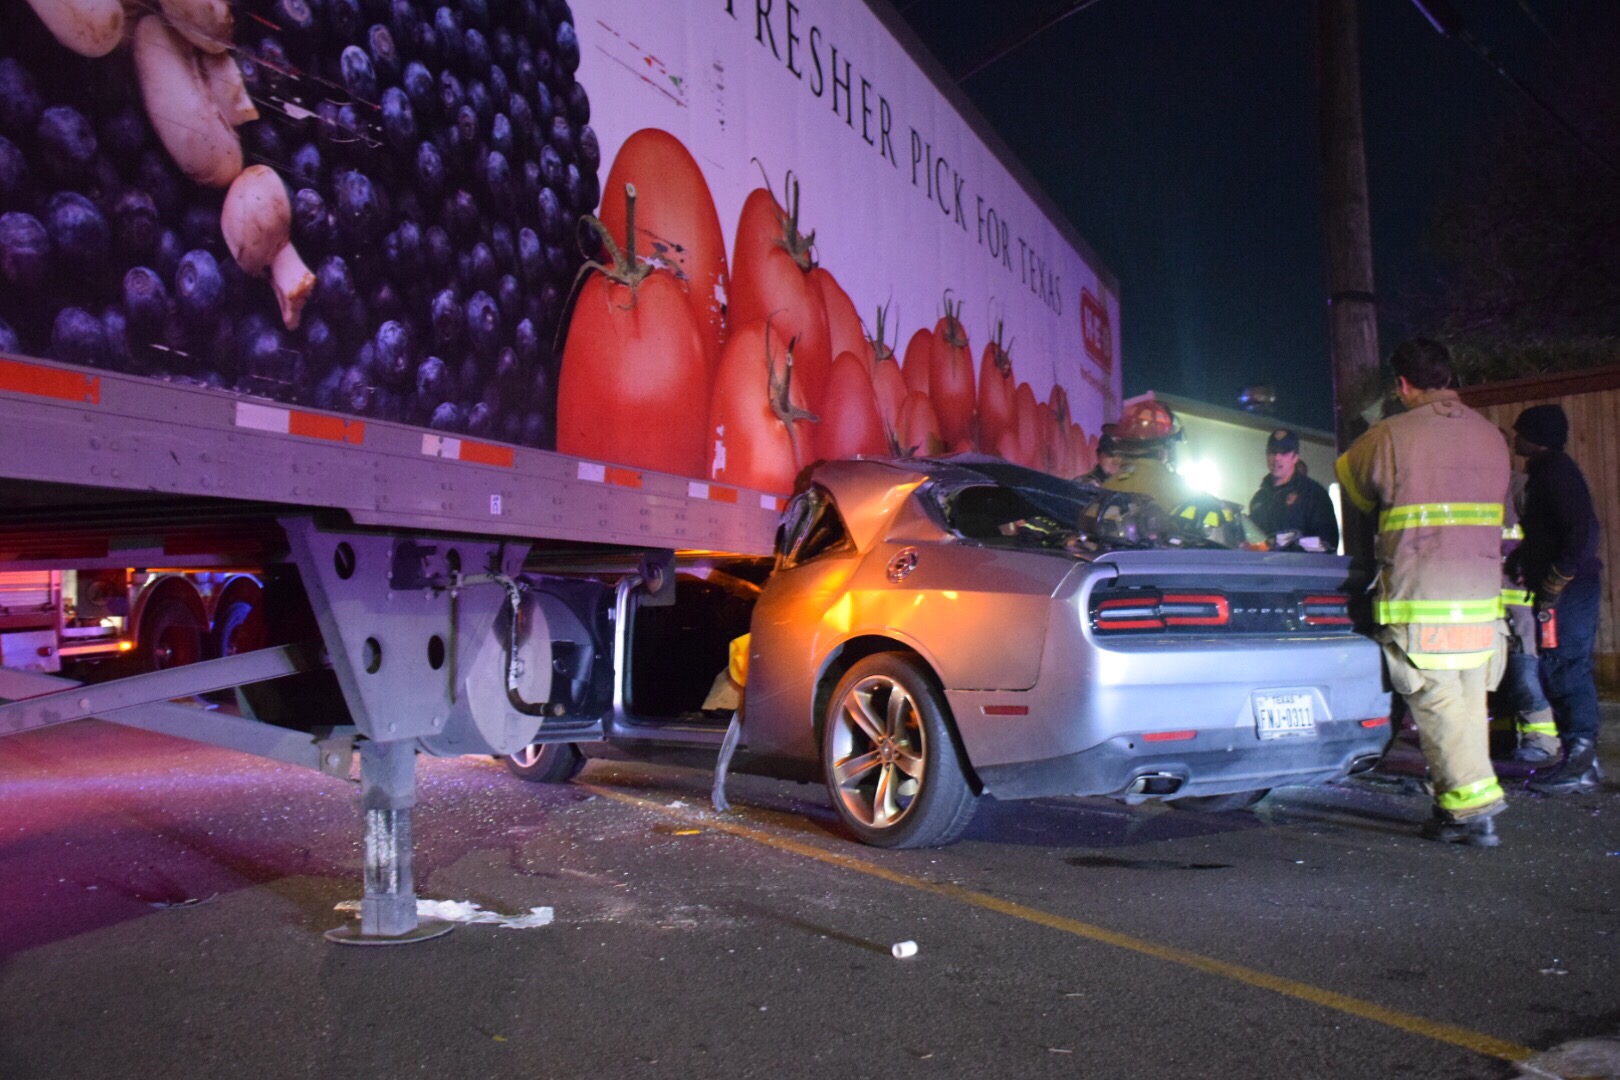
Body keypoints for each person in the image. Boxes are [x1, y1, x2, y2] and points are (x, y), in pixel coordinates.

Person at [1336, 339, 1511, 847]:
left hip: (1423, 597)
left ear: (1402, 384)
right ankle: (1456, 805)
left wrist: (1372, 419)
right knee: (1467, 707)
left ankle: (1472, 812)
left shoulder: (1391, 435)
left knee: (1439, 706)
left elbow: (1352, 482)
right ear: (1449, 377)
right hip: (1481, 600)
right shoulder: (1490, 435)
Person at [1509, 404, 1604, 794]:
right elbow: (1551, 532)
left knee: (1566, 668)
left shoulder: (1556, 473)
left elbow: (1583, 531)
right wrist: (1522, 558)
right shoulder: (1546, 473)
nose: (1515, 438)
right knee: (1559, 667)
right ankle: (1581, 761)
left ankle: (1580, 762)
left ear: (1538, 437)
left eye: (1521, 432)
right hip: (1564, 588)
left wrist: (1556, 580)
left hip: (1568, 591)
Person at [1498, 469, 1559, 763]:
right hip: (1480, 601)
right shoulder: (1466, 486)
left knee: (1525, 674)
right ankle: (1501, 738)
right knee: (1495, 678)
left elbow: (1552, 534)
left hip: (1520, 602)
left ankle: (1542, 740)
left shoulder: (1519, 486)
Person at [1248, 428, 1340, 552]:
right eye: (1272, 452)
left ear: (1295, 457)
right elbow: (1254, 543)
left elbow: (1328, 542)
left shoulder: (1313, 494)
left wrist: (1291, 543)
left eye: (1284, 452)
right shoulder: (1259, 499)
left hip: (1299, 565)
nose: (1277, 457)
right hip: (1262, 565)